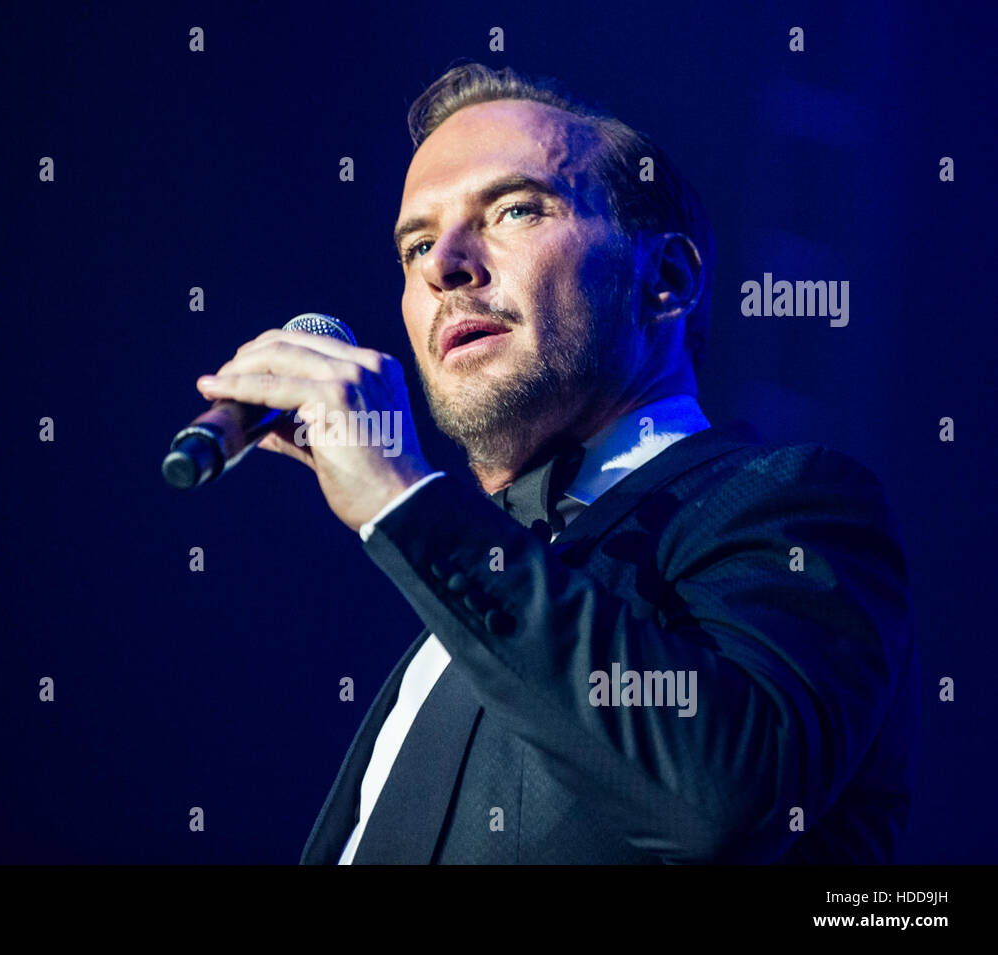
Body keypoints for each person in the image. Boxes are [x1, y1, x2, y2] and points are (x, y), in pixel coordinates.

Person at [194, 62, 918, 863]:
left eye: (514, 208)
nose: (444, 265)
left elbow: (727, 796)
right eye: (418, 244)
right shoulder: (446, 632)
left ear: (666, 279)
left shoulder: (794, 505)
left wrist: (404, 503)